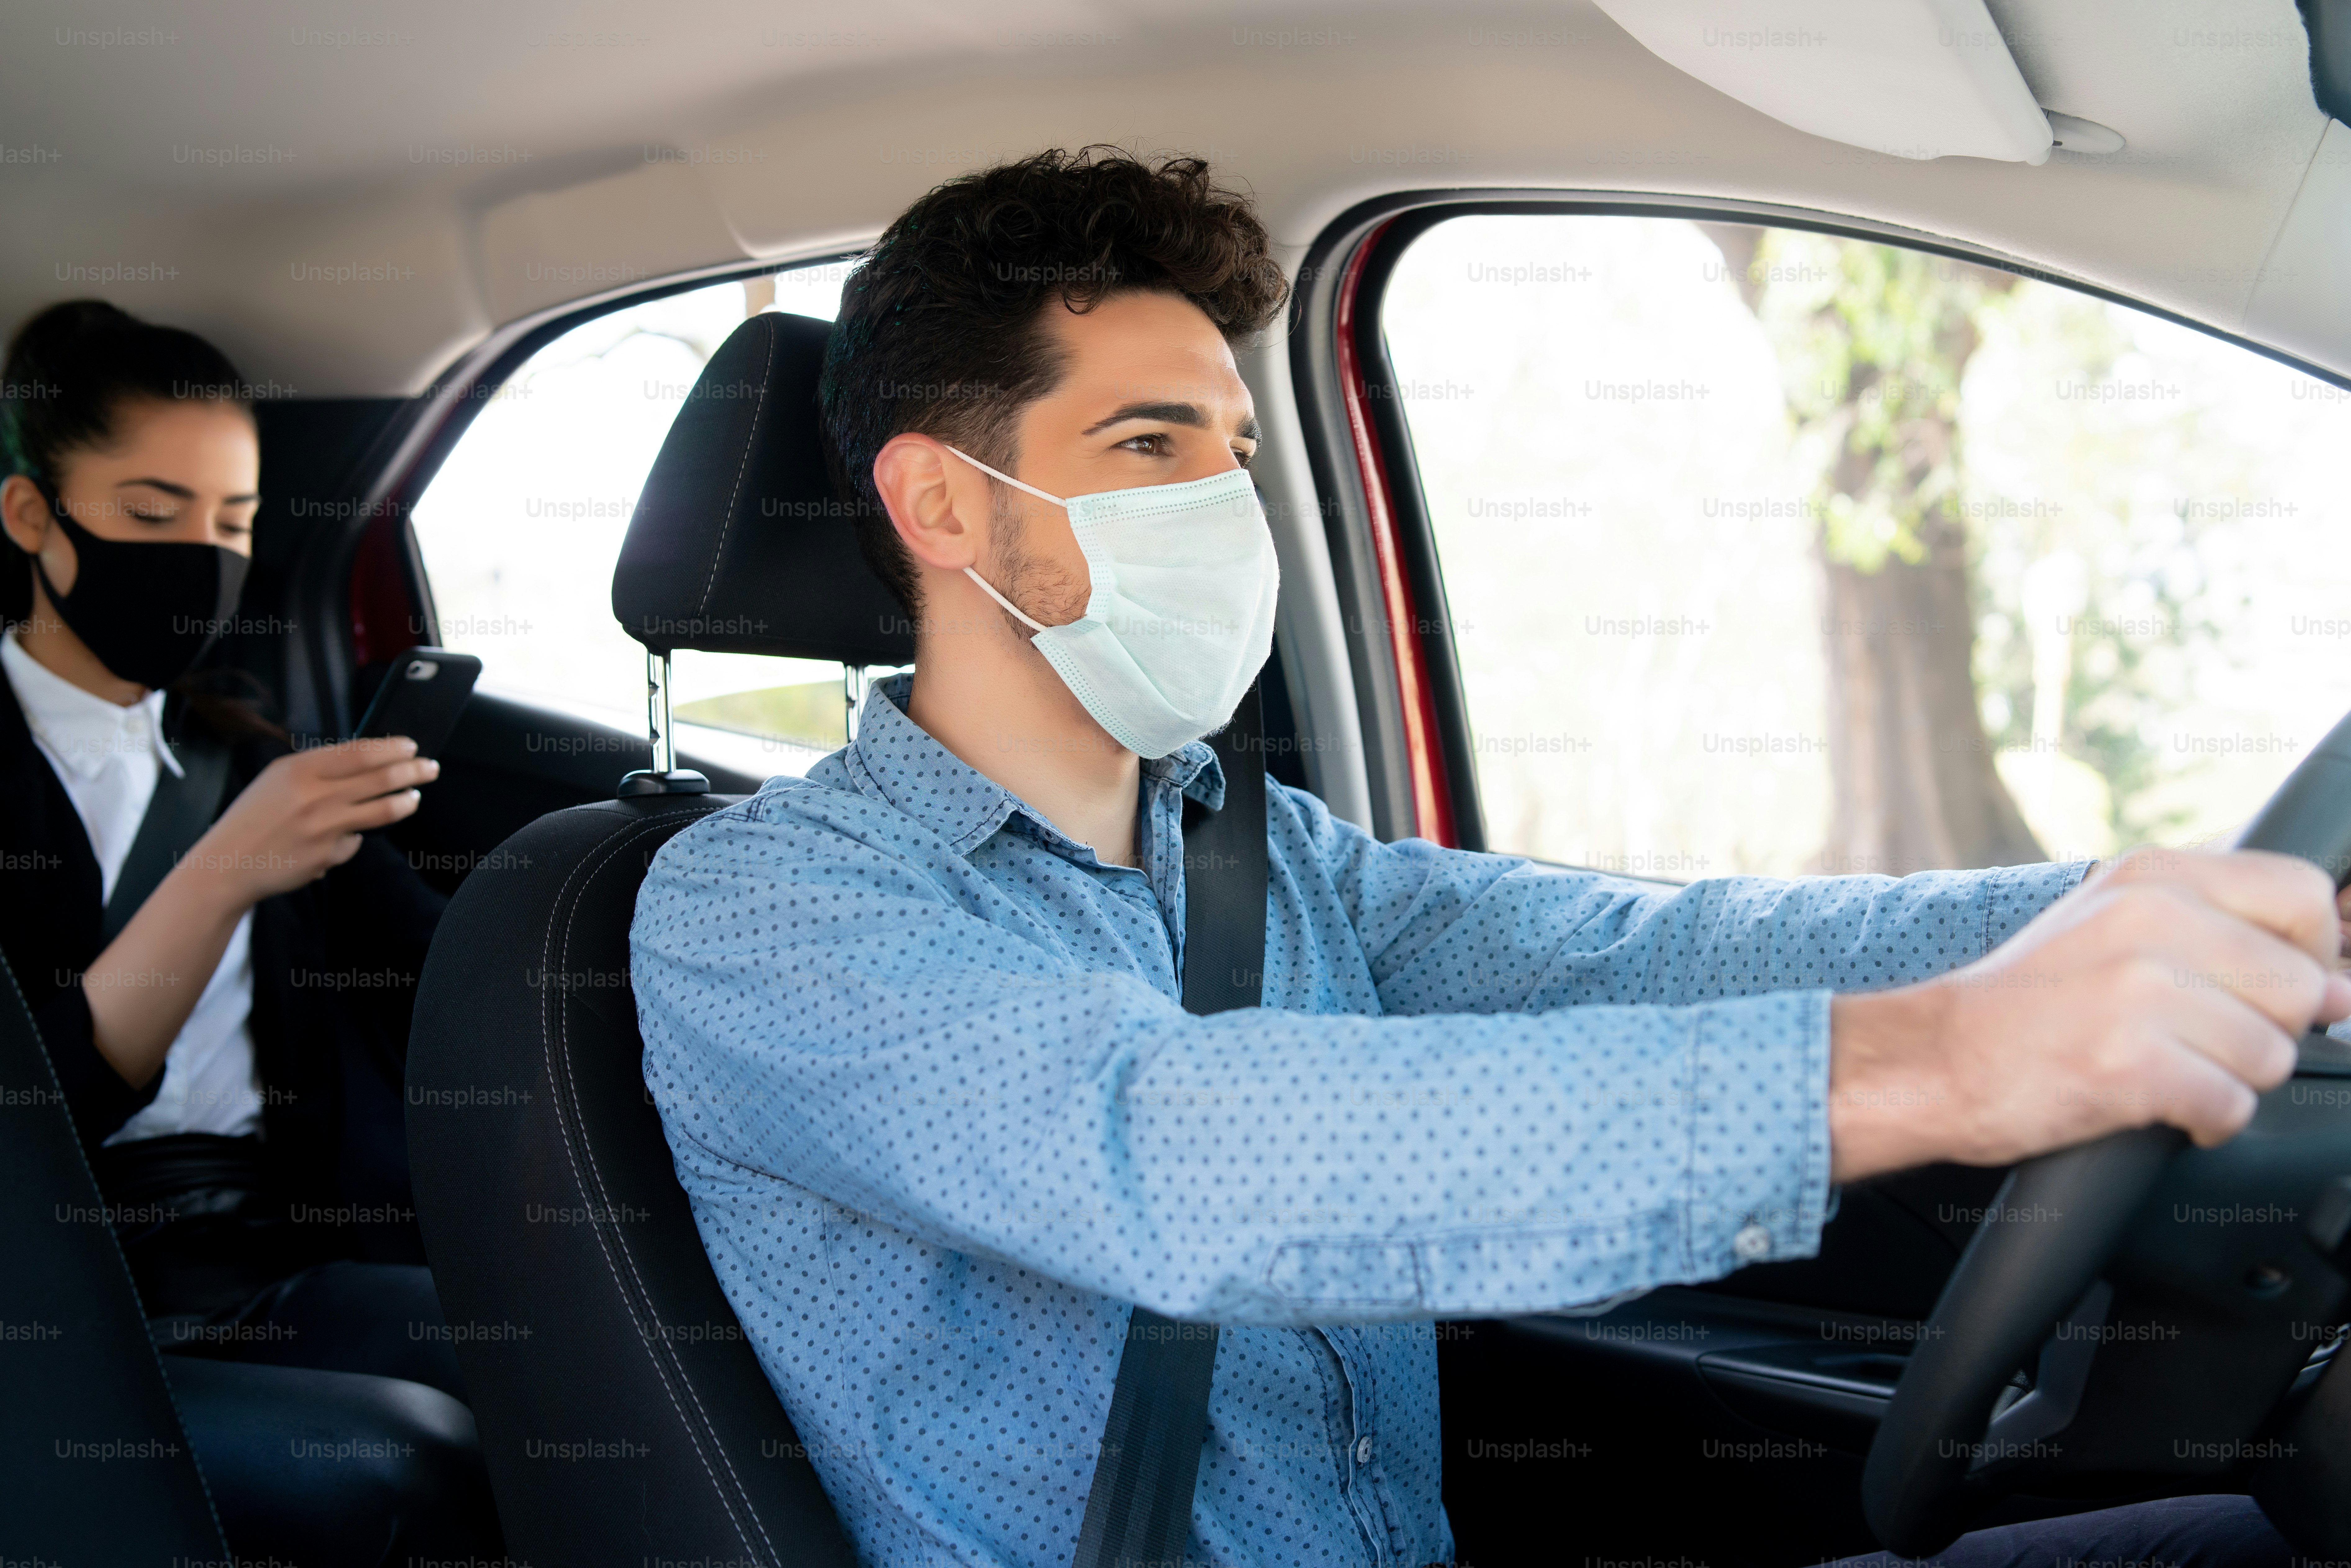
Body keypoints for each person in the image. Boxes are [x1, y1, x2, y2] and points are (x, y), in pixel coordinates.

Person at [629, 150, 2351, 1567]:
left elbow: (1655, 952)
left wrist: (2171, 912)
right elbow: (1162, 1152)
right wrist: (1956, 1058)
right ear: (941, 507)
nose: (1222, 508)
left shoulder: (1260, 849)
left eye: (1231, 452)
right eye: (1147, 446)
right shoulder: (766, 908)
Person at [0, 300, 501, 1565]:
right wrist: (224, 871)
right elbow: (35, 1113)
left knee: (567, 1359)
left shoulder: (246, 753)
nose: (205, 559)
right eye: (154, 515)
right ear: (32, 520)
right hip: (54, 1298)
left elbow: (454, 968)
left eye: (232, 523)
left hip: (269, 1253)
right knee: (403, 1466)